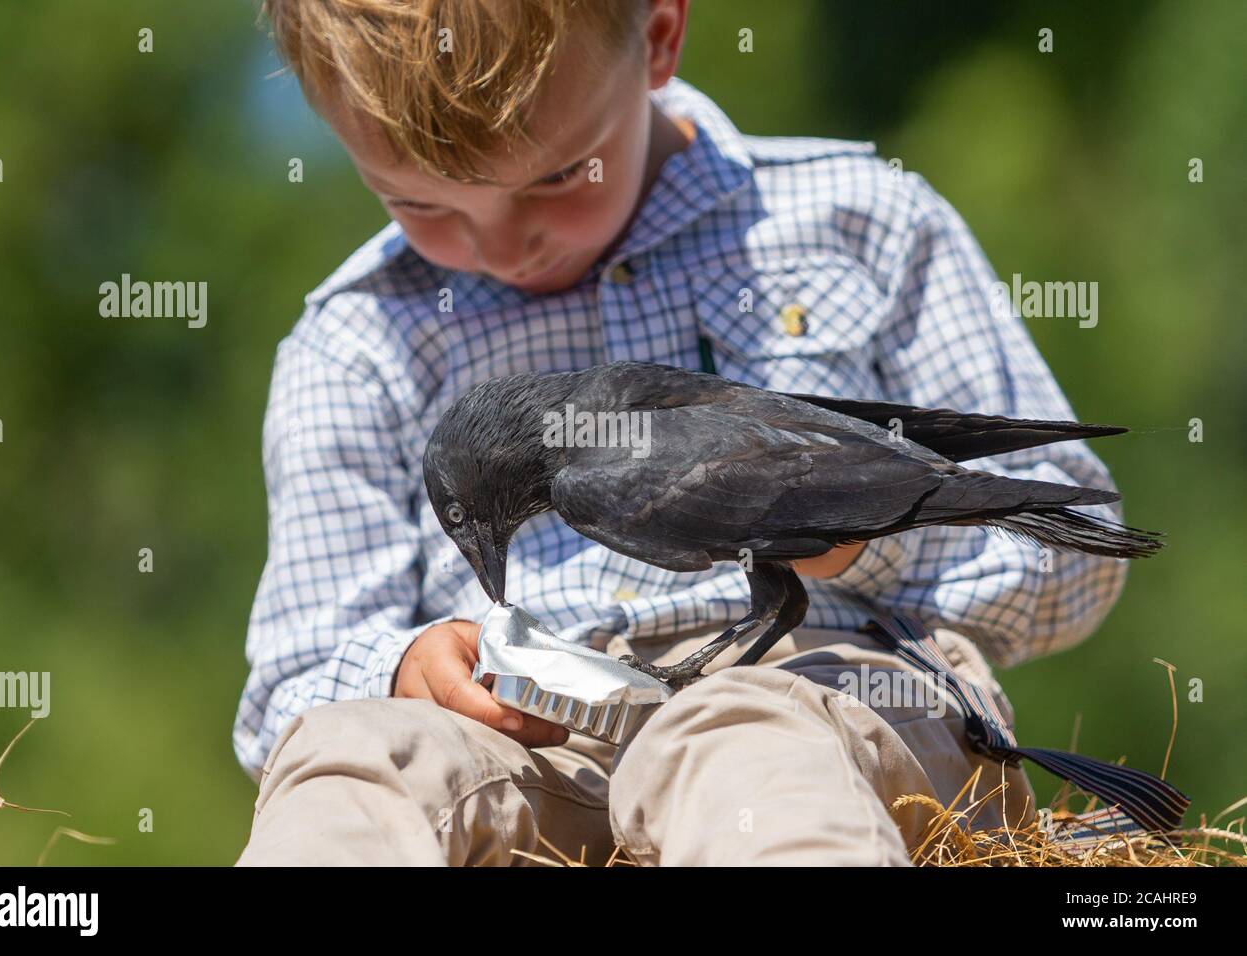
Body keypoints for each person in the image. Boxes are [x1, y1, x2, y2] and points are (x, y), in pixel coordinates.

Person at [234, 0, 1128, 865]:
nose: (508, 248)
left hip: (829, 700)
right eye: (420, 206)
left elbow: (1083, 558)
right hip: (541, 758)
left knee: (740, 737)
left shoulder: (866, 222)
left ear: (659, 35)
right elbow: (289, 687)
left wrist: (852, 545)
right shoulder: (353, 348)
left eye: (556, 177)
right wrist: (404, 667)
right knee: (356, 763)